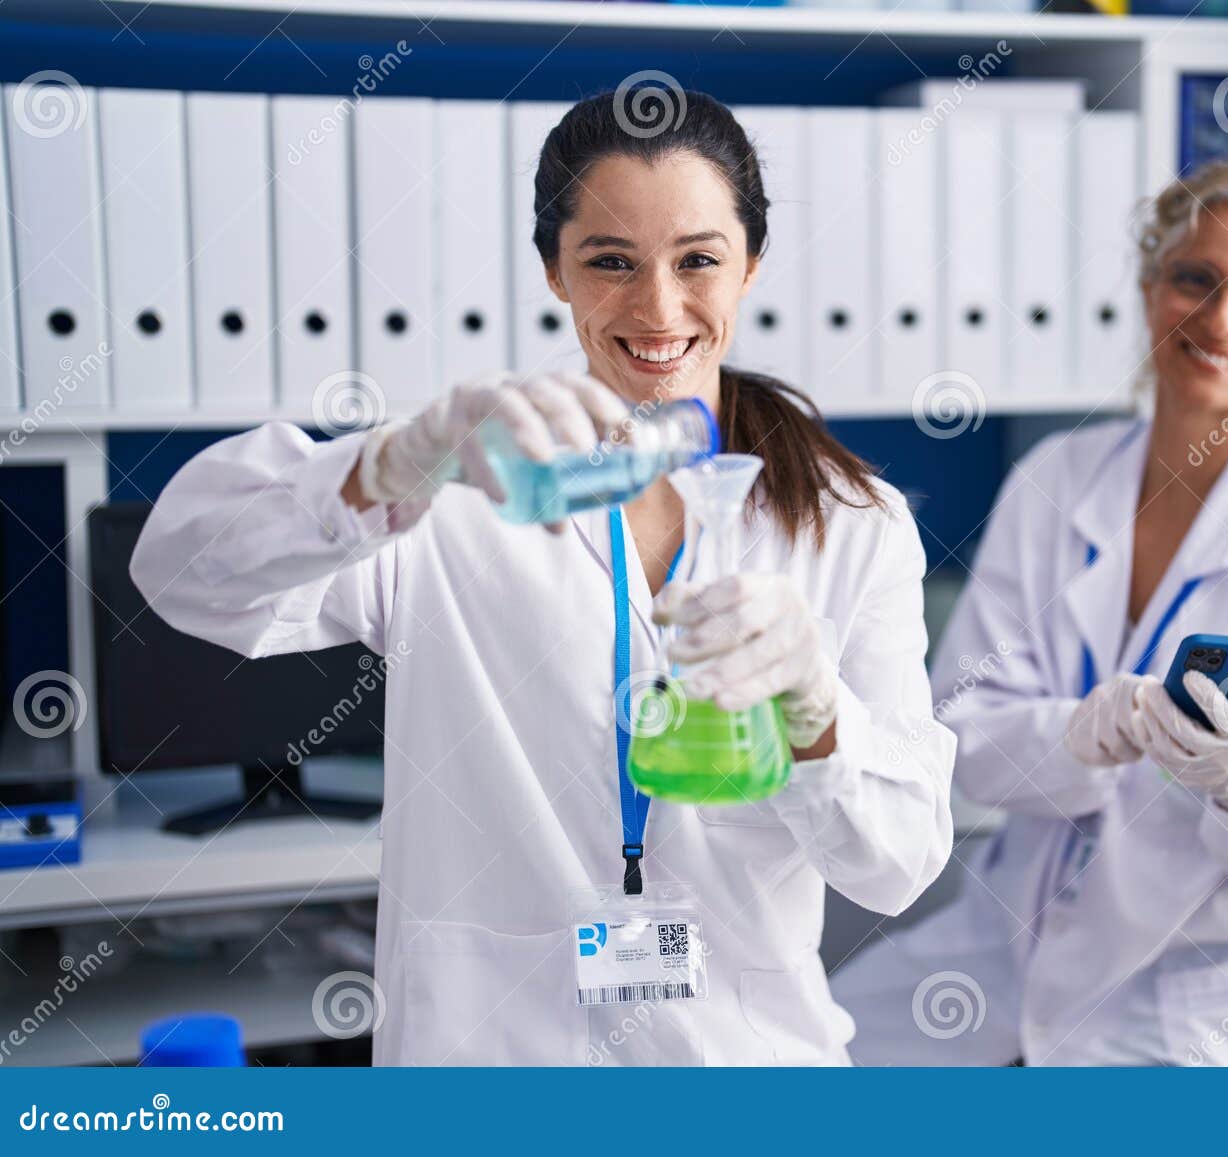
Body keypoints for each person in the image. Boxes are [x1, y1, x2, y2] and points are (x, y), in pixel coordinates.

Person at [131, 89, 954, 1066]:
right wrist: (388, 465)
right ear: (554, 269)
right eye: (611, 261)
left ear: (751, 266)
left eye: (698, 259)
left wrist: (816, 713)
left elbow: (898, 861)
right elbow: (185, 571)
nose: (657, 308)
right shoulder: (456, 485)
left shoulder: (851, 525)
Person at [833, 152, 1228, 1067]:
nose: (1220, 319)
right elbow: (957, 735)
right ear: (1151, 291)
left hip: (1212, 995)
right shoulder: (1056, 484)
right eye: (1194, 278)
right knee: (793, 1058)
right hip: (1009, 945)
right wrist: (1075, 735)